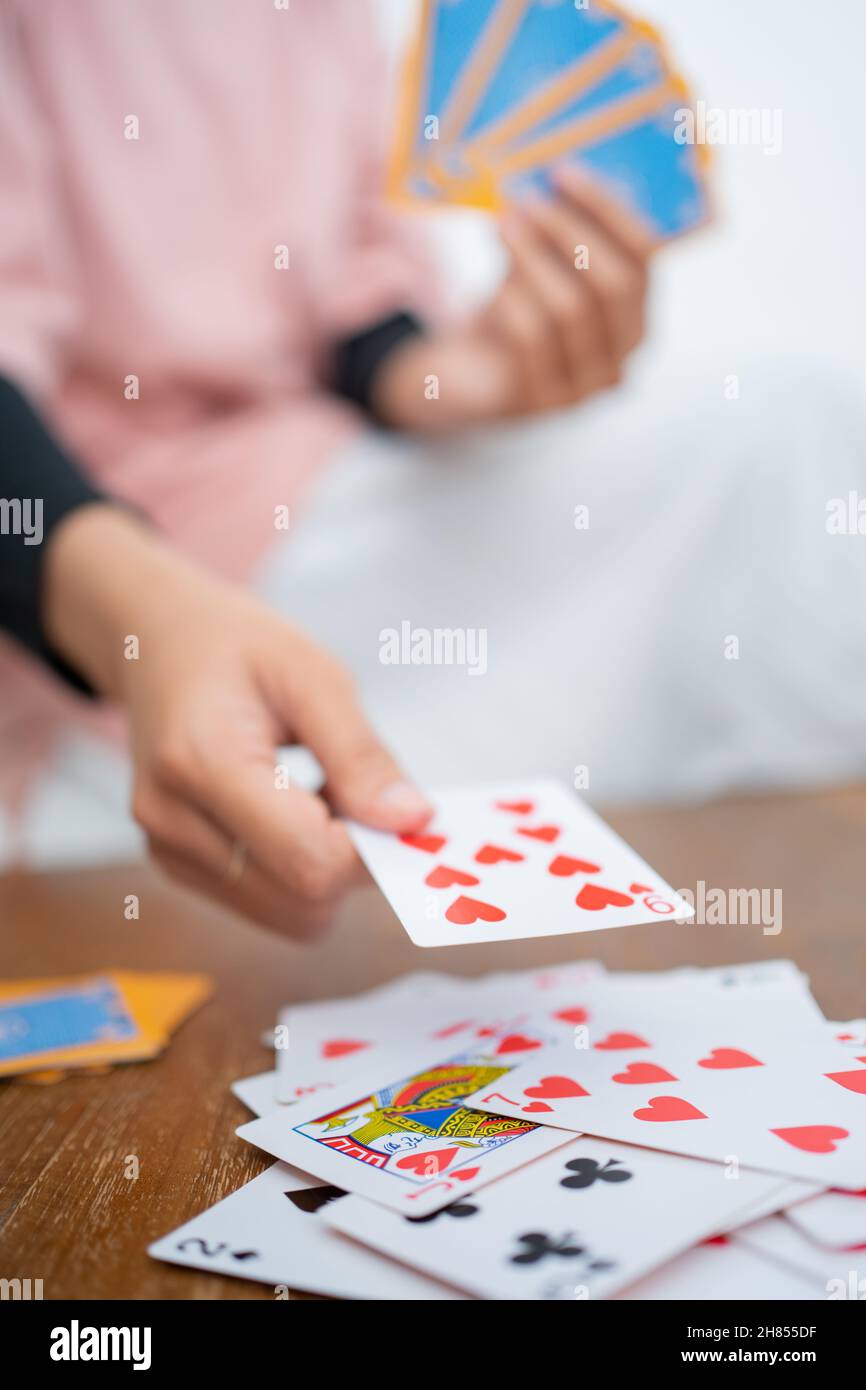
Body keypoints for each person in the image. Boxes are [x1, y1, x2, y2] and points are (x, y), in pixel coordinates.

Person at [0, 0, 653, 935]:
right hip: (77, 563)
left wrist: (470, 377)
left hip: (311, 483)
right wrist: (141, 621)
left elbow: (362, 307)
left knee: (783, 429)